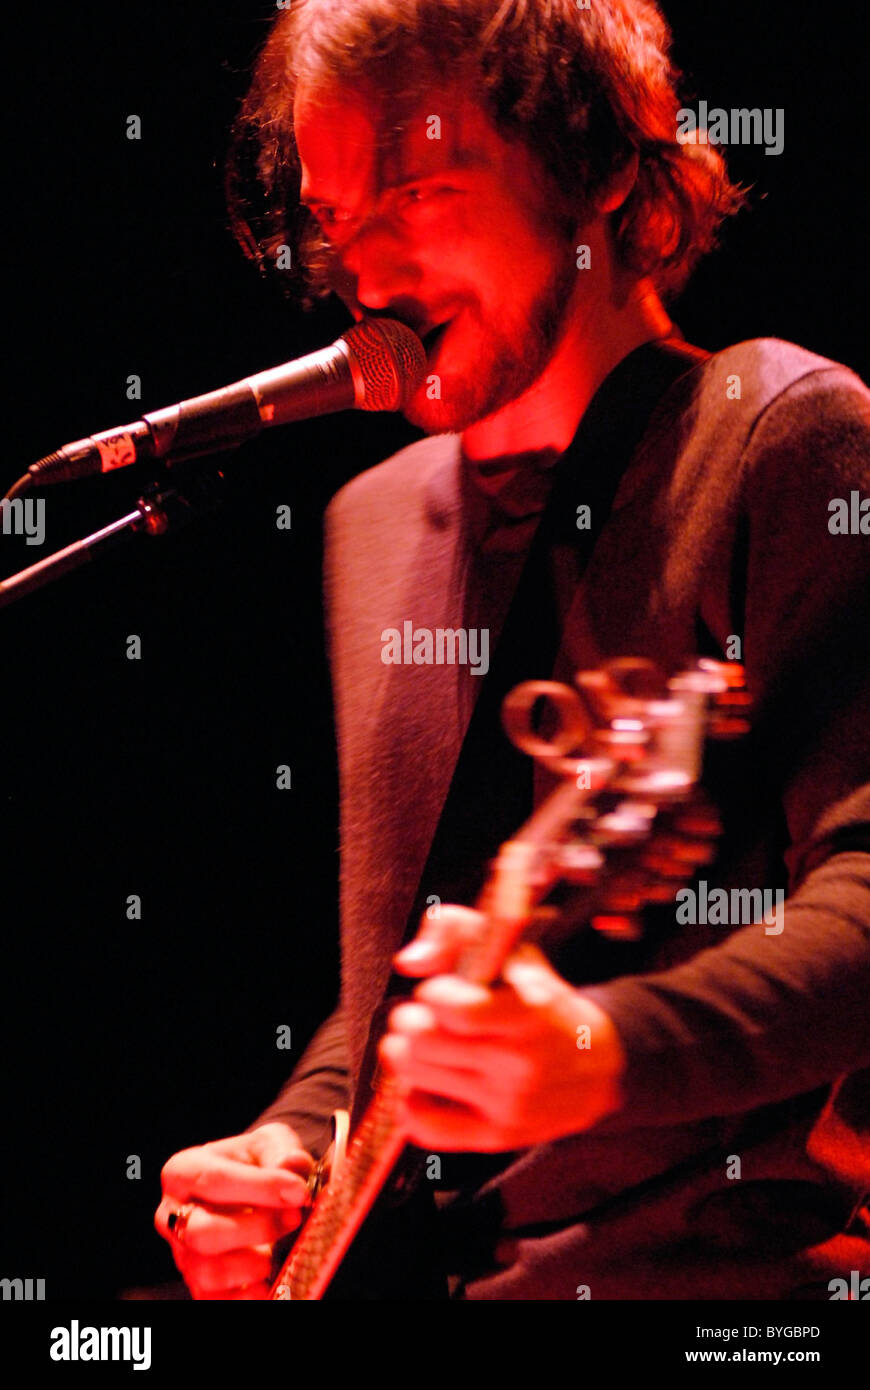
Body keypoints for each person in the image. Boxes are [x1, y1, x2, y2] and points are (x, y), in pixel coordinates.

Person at [154, 0, 869, 1300]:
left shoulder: (779, 432)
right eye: (334, 215)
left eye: (418, 191)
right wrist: (294, 1145)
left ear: (593, 166)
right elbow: (411, 968)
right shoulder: (375, 522)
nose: (364, 275)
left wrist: (602, 1048)